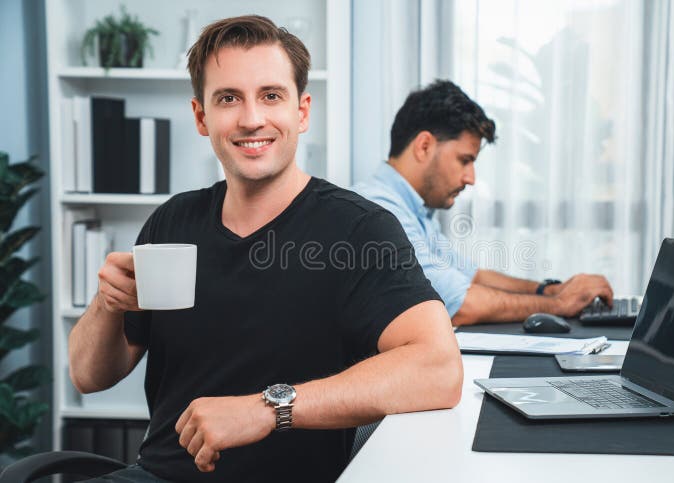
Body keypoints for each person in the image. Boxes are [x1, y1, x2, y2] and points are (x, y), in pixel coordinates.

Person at [68, 16, 462, 483]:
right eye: (228, 98)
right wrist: (107, 304)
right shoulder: (173, 221)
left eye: (271, 96)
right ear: (201, 116)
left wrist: (270, 407)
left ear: (302, 111)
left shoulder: (360, 230)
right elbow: (89, 376)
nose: (252, 118)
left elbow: (439, 368)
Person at [354, 80, 614, 326]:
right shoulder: (379, 208)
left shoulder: (414, 209)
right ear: (424, 146)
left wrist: (546, 290)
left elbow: (472, 276)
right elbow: (460, 304)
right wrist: (558, 304)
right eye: (464, 160)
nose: (471, 178)